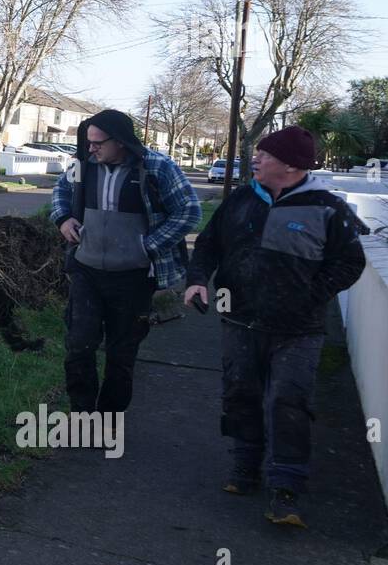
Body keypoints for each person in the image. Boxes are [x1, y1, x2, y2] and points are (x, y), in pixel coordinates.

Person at [184, 126, 367, 528]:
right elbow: (209, 244)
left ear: (289, 164)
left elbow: (350, 263)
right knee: (240, 393)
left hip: (298, 329)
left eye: (263, 155)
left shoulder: (327, 208)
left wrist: (311, 294)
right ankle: (245, 467)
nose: (255, 160)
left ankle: (286, 488)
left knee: (288, 401)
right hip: (239, 319)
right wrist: (197, 279)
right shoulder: (241, 200)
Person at [51, 110, 201, 415]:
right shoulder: (83, 166)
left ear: (120, 141)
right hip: (86, 272)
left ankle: (108, 418)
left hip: (133, 278)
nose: (90, 148)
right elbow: (60, 191)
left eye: (97, 143)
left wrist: (147, 245)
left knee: (122, 353)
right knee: (79, 345)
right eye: (88, 142)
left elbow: (189, 211)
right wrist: (63, 218)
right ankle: (82, 413)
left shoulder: (157, 167)